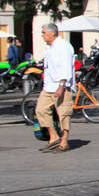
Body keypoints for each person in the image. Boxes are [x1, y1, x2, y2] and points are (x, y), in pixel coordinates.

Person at [36, 22, 76, 153]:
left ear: (52, 33)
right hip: (48, 86)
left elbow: (65, 68)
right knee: (40, 110)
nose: (42, 35)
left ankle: (64, 142)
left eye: (43, 32)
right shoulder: (50, 47)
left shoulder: (63, 47)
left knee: (63, 114)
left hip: (61, 86)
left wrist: (61, 86)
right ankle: (53, 137)